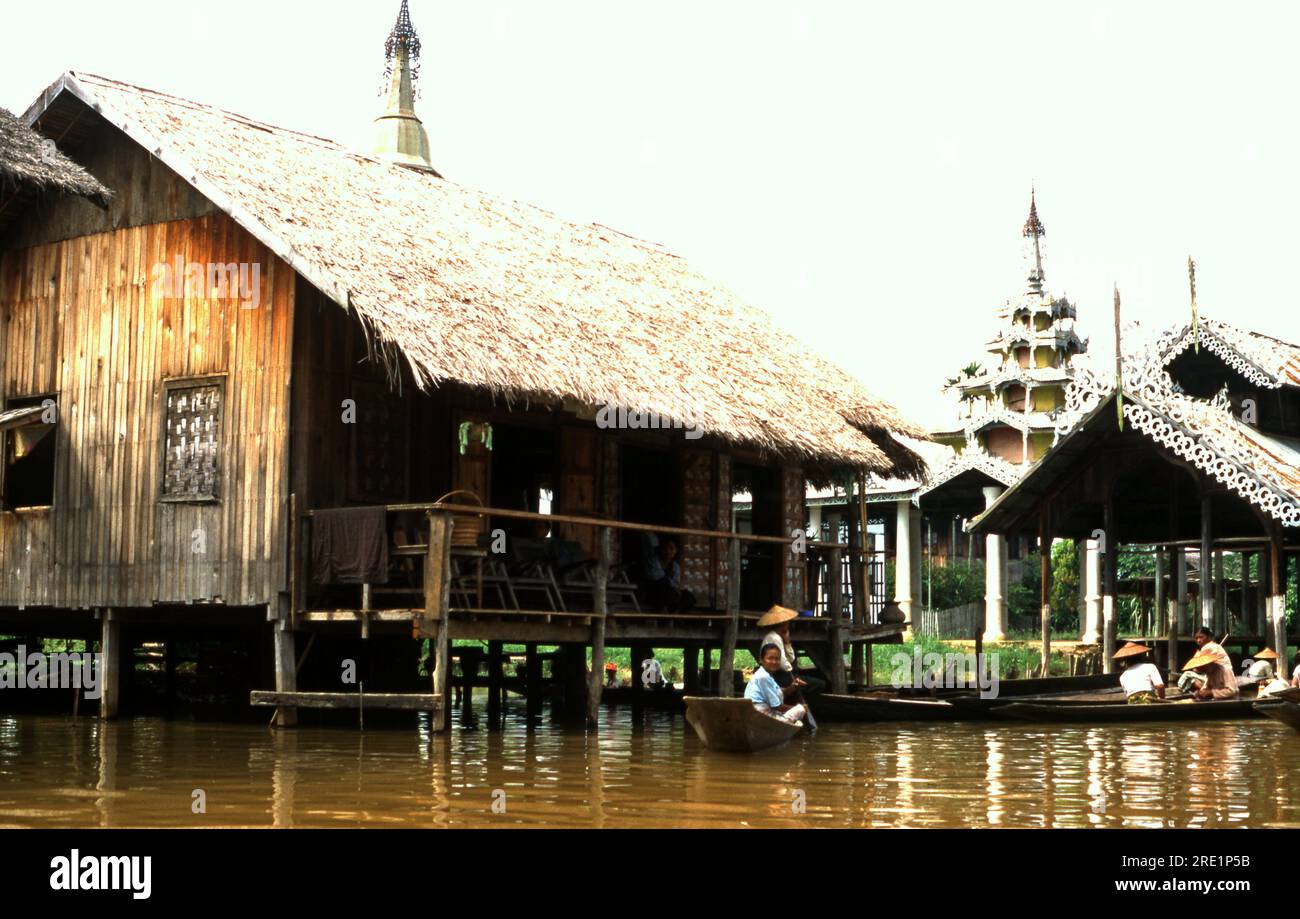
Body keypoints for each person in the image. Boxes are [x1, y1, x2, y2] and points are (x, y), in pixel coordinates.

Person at [744, 643, 807, 725]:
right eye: (770, 658)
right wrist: (799, 708)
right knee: (800, 709)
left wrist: (794, 686)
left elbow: (779, 693)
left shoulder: (766, 674)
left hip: (763, 715)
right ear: (761, 660)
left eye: (777, 659)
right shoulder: (763, 677)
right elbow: (777, 706)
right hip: (761, 717)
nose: (774, 662)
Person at [644, 537, 695, 613]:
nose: (667, 552)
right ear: (660, 549)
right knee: (664, 584)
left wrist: (675, 589)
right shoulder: (653, 561)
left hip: (670, 593)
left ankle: (674, 614)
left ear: (676, 551)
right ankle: (663, 610)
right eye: (664, 548)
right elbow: (655, 577)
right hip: (655, 592)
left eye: (671, 549)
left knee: (688, 596)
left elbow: (675, 584)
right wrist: (670, 583)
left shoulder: (675, 566)